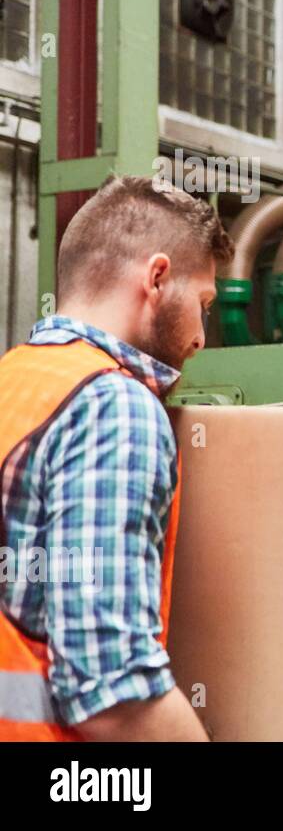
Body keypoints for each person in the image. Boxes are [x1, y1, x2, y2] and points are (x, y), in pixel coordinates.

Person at [0, 174, 231, 740]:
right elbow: (113, 695)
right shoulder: (112, 405)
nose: (202, 336)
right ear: (156, 278)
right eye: (203, 303)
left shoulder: (13, 379)